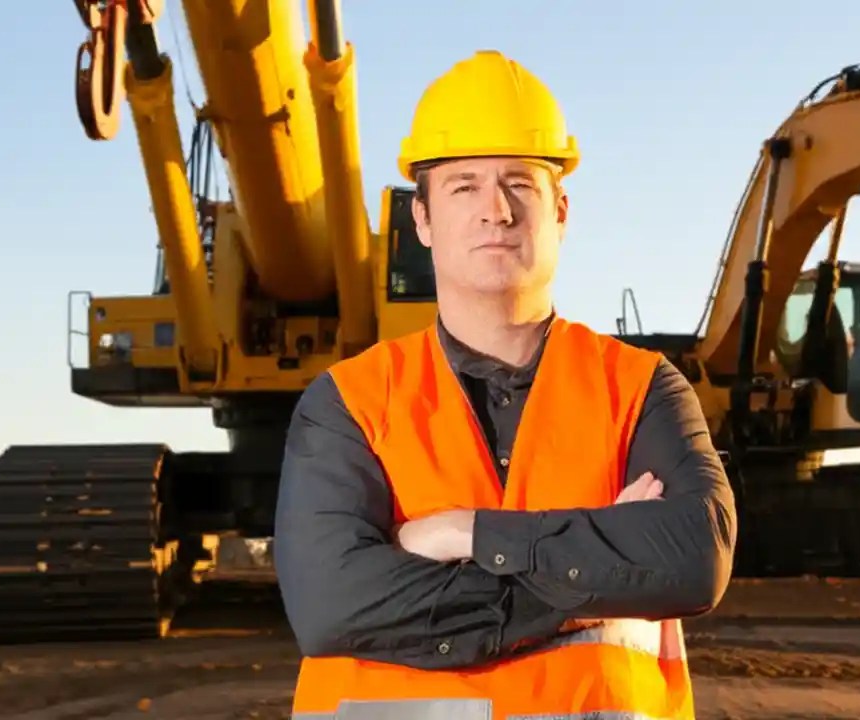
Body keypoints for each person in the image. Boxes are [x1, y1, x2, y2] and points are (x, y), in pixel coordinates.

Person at [274, 48, 737, 720]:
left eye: (520, 183)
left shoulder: (641, 387)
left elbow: (696, 560)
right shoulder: (349, 402)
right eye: (464, 186)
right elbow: (330, 604)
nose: (497, 210)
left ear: (561, 211)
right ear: (423, 221)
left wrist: (464, 534)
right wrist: (595, 574)